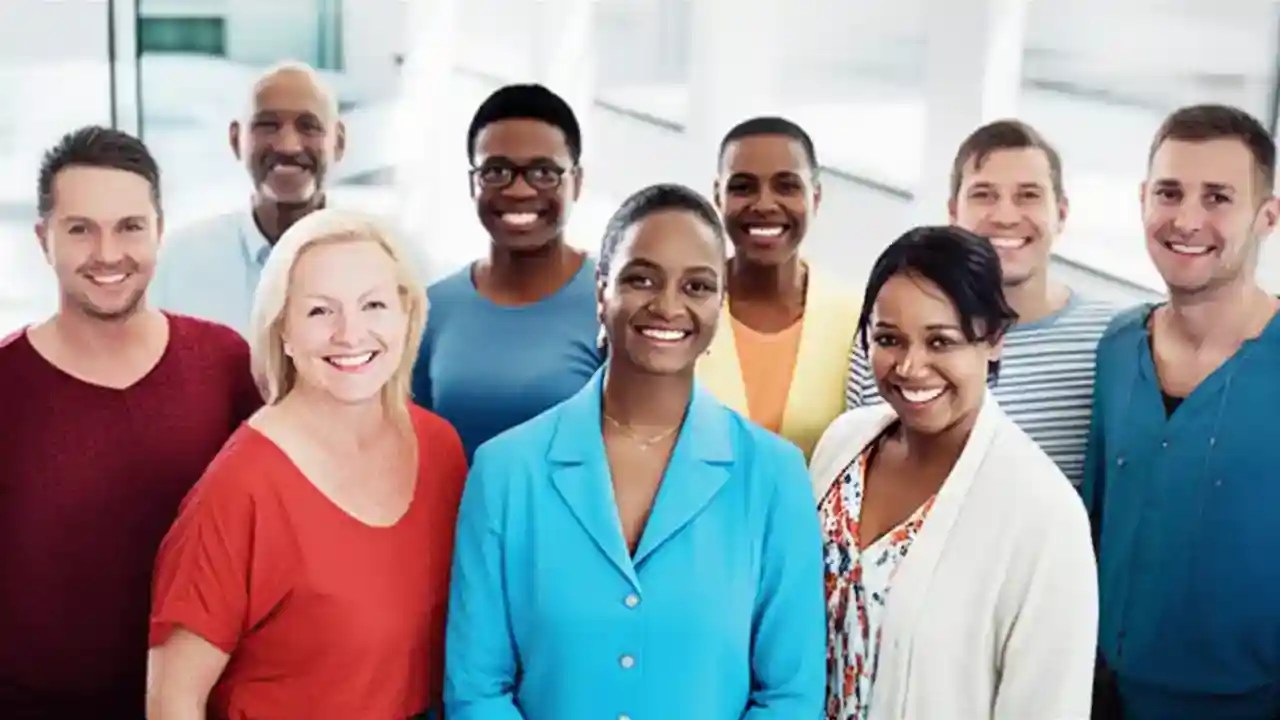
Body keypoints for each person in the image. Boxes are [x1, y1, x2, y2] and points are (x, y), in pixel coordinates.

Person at [444, 184, 825, 720]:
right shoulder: (506, 471)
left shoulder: (775, 476)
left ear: (720, 305)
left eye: (697, 286)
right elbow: (477, 690)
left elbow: (789, 696)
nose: (668, 306)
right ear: (601, 291)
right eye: (641, 279)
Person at [146, 209, 467, 719]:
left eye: (374, 305)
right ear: (283, 332)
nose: (350, 334)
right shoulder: (240, 489)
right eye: (320, 311)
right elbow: (172, 702)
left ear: (407, 316)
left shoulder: (440, 448)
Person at [0, 126, 260, 717]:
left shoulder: (224, 364)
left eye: (130, 227)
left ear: (159, 231)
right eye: (80, 229)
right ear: (43, 239)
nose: (107, 253)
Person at [812, 226, 1097, 720]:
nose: (910, 366)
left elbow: (1049, 705)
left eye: (940, 342)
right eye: (888, 339)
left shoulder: (1045, 514)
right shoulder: (842, 445)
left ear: (994, 340)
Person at [1083, 104, 1280, 719]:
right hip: (1102, 693)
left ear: (1267, 216)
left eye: (1217, 198)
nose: (1187, 220)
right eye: (1169, 193)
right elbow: (1096, 519)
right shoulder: (1119, 347)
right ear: (1143, 200)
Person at [846, 120, 1115, 487]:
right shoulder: (883, 337)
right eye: (984, 195)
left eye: (1028, 195)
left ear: (1062, 214)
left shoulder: (1111, 340)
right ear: (953, 212)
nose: (1005, 217)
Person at [411, 83, 601, 462]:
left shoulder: (611, 303)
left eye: (543, 172)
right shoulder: (431, 308)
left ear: (577, 182)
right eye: (496, 171)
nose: (519, 191)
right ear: (473, 183)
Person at [699, 117, 859, 459]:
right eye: (743, 187)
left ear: (815, 196)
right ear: (717, 197)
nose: (764, 205)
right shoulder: (683, 309)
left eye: (786, 186)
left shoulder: (857, 318)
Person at [150, 61, 348, 335]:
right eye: (267, 125)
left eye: (308, 126)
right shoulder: (176, 264)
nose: (288, 146)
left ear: (338, 142)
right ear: (236, 140)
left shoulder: (388, 262)